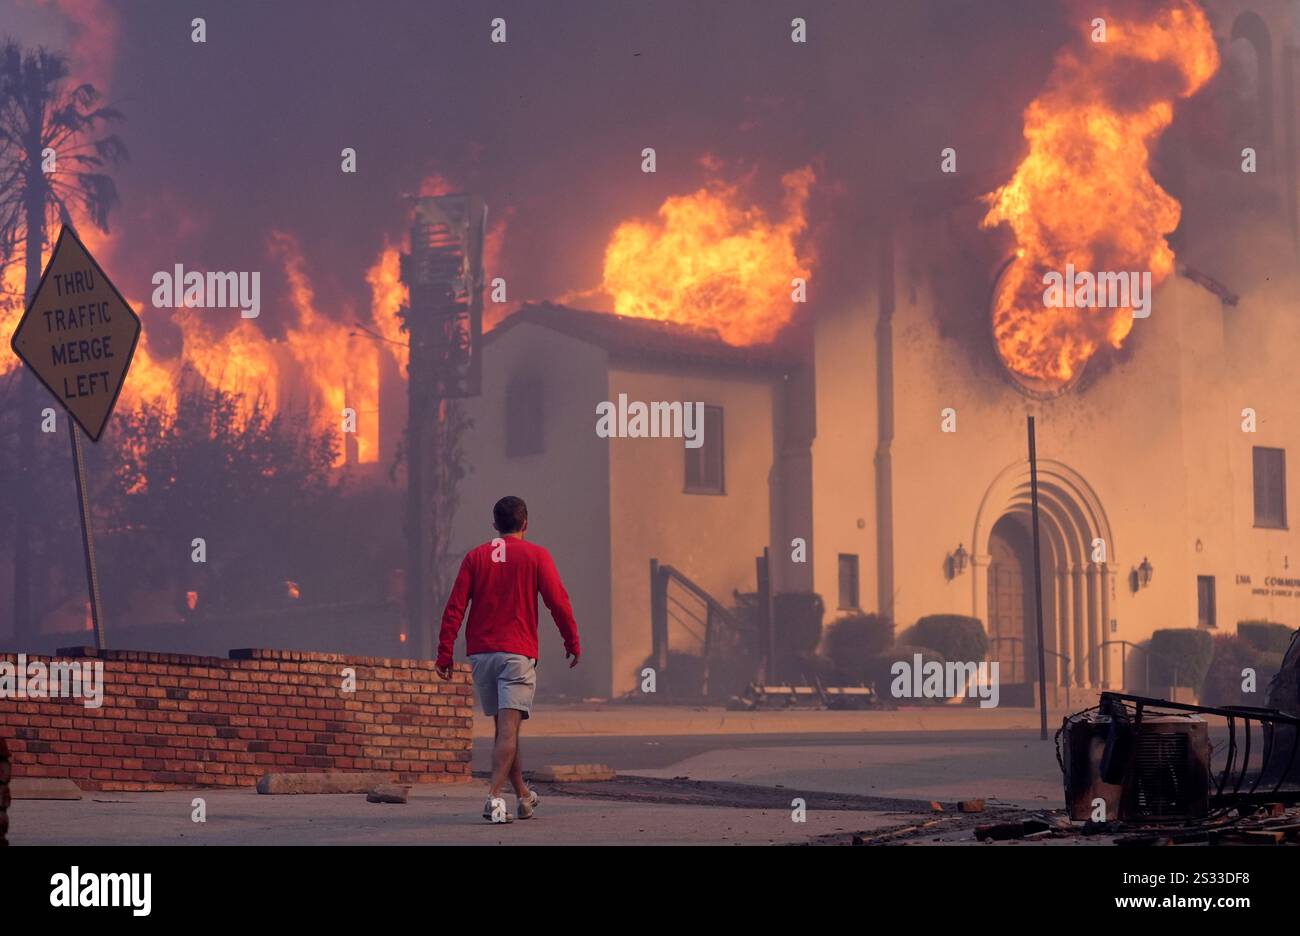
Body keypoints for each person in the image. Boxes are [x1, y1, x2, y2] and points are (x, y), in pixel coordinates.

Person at [435, 495, 580, 823]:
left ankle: (525, 798)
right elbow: (558, 601)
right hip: (517, 653)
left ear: (495, 524)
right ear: (525, 523)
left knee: (506, 729)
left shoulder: (475, 557)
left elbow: (455, 607)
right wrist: (571, 640)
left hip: (482, 655)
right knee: (508, 731)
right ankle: (494, 797)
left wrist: (445, 652)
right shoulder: (537, 556)